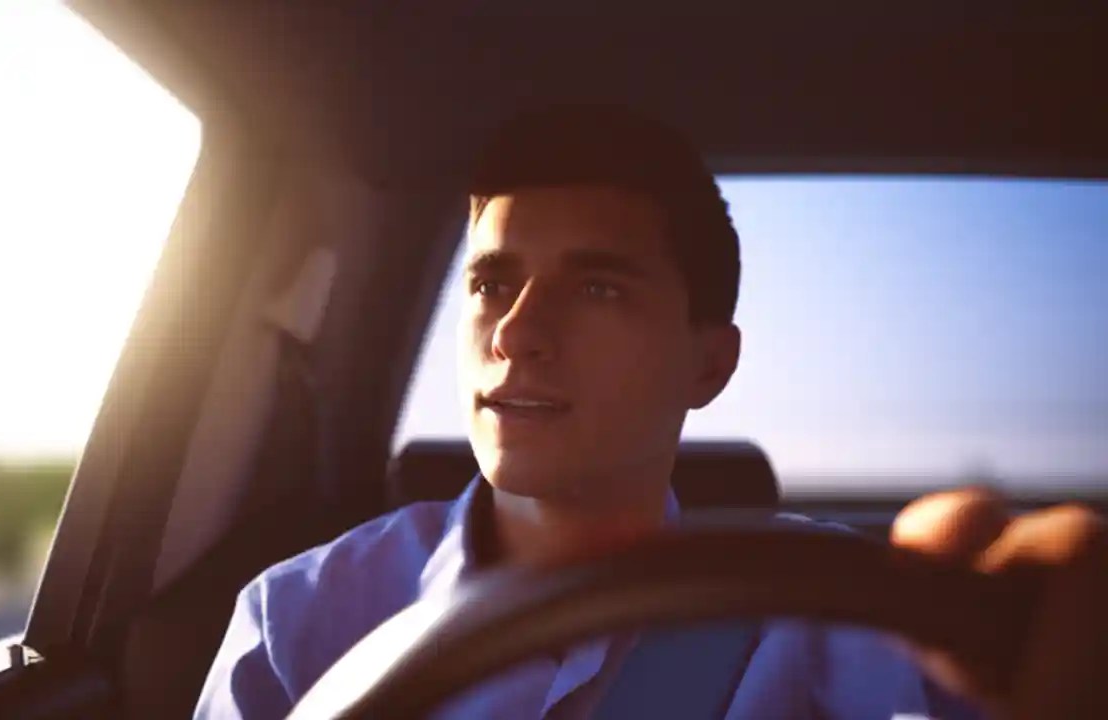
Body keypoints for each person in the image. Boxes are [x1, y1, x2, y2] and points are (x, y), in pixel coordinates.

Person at [194, 106, 1107, 719]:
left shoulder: (865, 622)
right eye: (491, 282)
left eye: (597, 287)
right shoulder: (297, 622)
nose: (517, 330)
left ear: (709, 363)